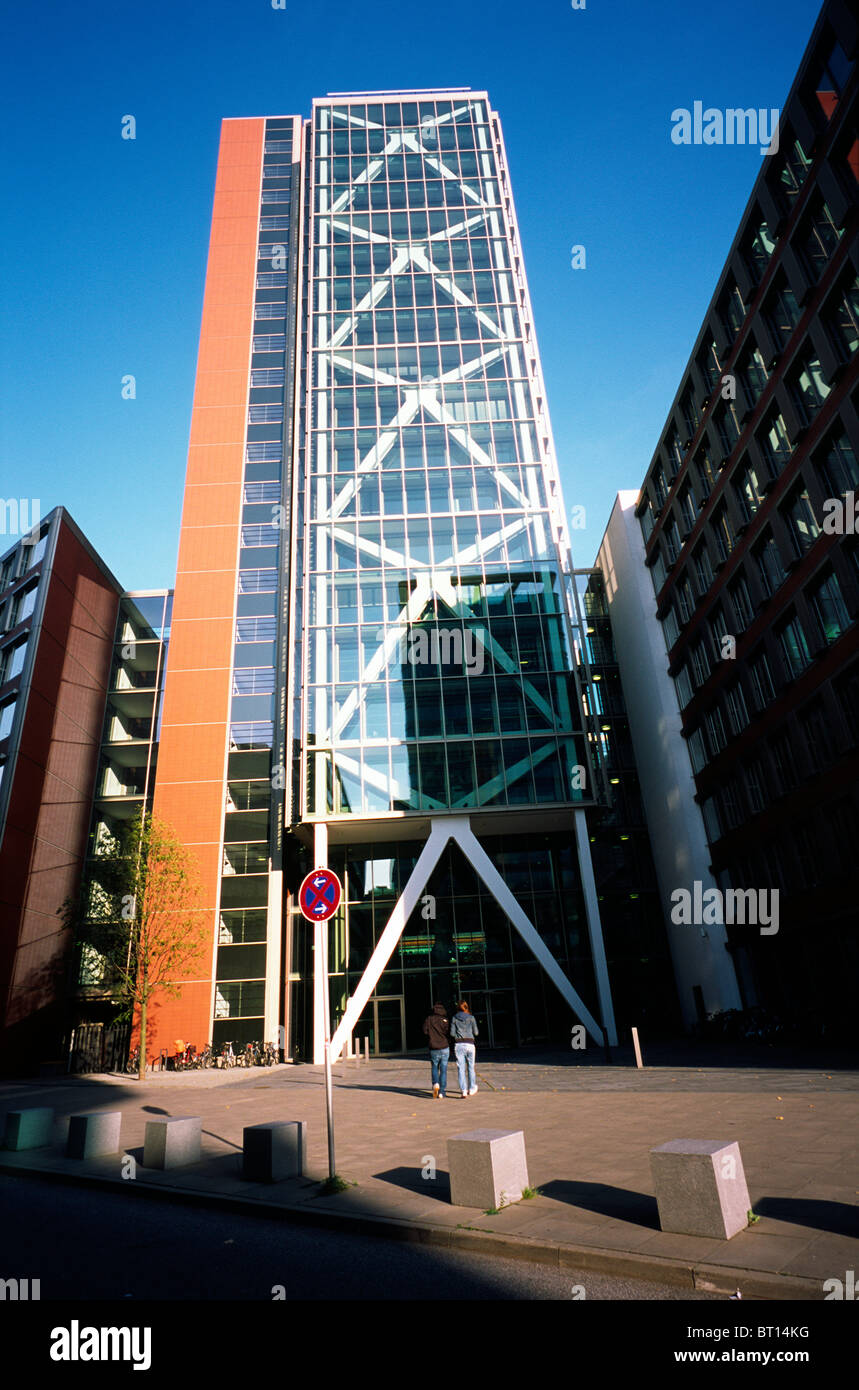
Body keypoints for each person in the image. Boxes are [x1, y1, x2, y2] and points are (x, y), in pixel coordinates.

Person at [450, 1001, 479, 1097]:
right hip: (470, 1044)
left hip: (459, 1044)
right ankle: (472, 1088)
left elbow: (452, 1034)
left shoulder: (454, 1018)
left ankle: (463, 1090)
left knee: (461, 1068)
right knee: (471, 1067)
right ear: (467, 1007)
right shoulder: (471, 1018)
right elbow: (476, 1033)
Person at [422, 1002, 450, 1099]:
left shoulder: (429, 1019)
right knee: (443, 1070)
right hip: (444, 1046)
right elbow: (447, 1032)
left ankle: (435, 1083)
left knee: (434, 1067)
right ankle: (442, 1091)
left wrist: (431, 1035)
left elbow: (424, 1031)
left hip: (433, 1047)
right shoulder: (445, 1019)